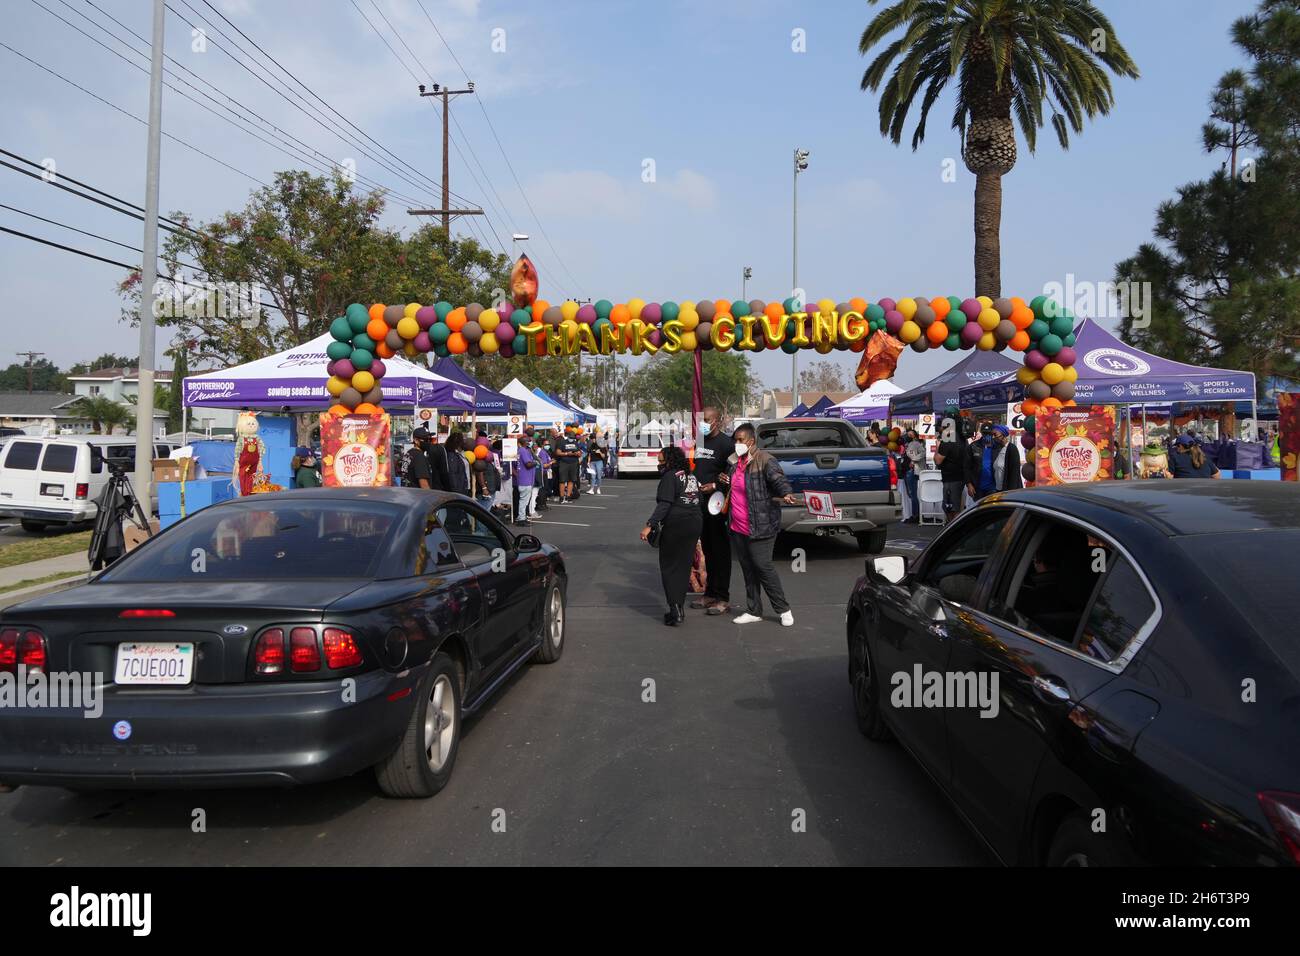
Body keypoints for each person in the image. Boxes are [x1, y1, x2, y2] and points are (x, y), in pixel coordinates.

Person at [726, 423, 799, 626]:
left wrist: (786, 492)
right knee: (748, 569)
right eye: (735, 440)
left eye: (740, 440)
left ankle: (783, 609)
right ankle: (754, 610)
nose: (737, 444)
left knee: (763, 567)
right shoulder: (734, 462)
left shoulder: (765, 460)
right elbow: (733, 487)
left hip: (761, 525)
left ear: (751, 441)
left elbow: (778, 480)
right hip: (738, 526)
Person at [640, 445, 702, 626]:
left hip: (676, 524)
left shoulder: (669, 477)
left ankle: (675, 610)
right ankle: (679, 606)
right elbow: (699, 499)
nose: (658, 465)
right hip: (694, 523)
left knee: (669, 567)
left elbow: (664, 504)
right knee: (683, 567)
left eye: (660, 461)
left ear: (669, 461)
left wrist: (649, 526)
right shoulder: (690, 475)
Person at [692, 406, 734, 615]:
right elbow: (698, 467)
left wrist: (716, 486)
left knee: (720, 551)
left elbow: (735, 475)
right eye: (702, 420)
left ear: (717, 421)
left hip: (717, 504)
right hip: (700, 503)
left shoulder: (727, 444)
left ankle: (722, 597)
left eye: (707, 420)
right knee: (707, 549)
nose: (703, 424)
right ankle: (709, 593)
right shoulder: (700, 440)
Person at [969, 424, 1022, 499]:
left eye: (994, 434)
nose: (992, 437)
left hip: (1007, 492)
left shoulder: (1011, 449)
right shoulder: (999, 448)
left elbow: (1014, 474)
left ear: (1003, 435)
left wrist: (1010, 494)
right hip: (998, 490)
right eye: (992, 434)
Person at [933, 417, 968, 523]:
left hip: (951, 479)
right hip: (958, 477)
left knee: (950, 507)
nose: (938, 431)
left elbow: (938, 460)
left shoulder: (948, 439)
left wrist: (937, 447)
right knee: (953, 506)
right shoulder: (961, 438)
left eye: (939, 428)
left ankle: (954, 529)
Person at [902, 429, 926, 523]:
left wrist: (914, 460)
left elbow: (923, 453)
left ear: (914, 435)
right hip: (908, 471)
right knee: (911, 494)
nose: (908, 436)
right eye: (907, 434)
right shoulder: (908, 444)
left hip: (912, 471)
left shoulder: (916, 443)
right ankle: (914, 514)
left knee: (913, 494)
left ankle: (915, 515)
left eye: (910, 434)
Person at [515, 437, 540, 525]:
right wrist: (536, 462)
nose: (529, 443)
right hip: (525, 480)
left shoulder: (521, 450)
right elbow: (528, 464)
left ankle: (522, 517)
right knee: (523, 501)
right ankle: (521, 519)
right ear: (525, 443)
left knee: (523, 500)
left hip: (524, 479)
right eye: (528, 442)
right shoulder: (523, 451)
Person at [555, 427, 581, 501]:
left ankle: (568, 496)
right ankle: (561, 496)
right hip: (564, 463)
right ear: (568, 436)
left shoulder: (576, 443)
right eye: (571, 437)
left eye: (573, 438)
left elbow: (580, 453)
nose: (572, 439)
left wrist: (578, 454)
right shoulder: (562, 442)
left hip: (573, 463)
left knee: (571, 480)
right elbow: (558, 452)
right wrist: (567, 453)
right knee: (562, 480)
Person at [443, 430, 471, 496]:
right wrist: (456, 492)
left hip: (464, 488)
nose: (465, 442)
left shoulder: (460, 454)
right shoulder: (452, 456)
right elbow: (452, 474)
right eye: (463, 440)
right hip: (459, 491)